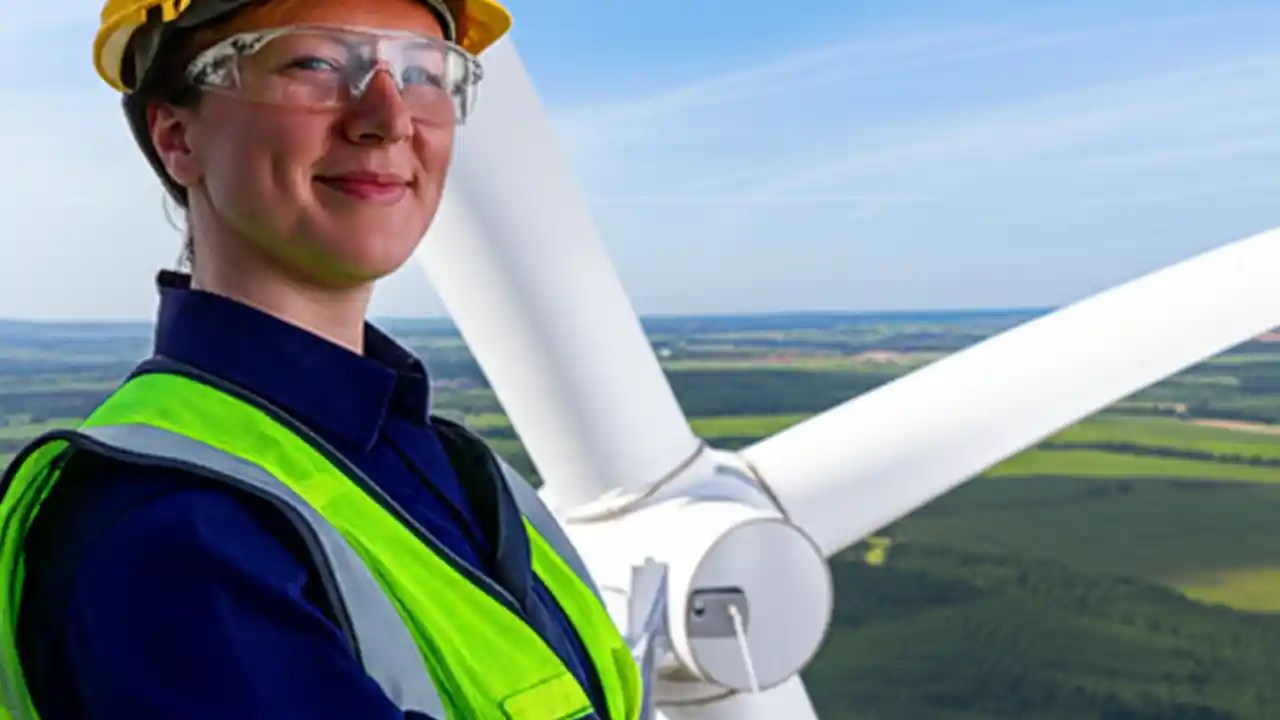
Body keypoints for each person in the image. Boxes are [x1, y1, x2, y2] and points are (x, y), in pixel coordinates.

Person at [0, 0, 644, 718]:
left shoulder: (455, 468)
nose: (389, 118)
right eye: (314, 62)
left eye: (424, 73)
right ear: (177, 136)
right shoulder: (174, 531)